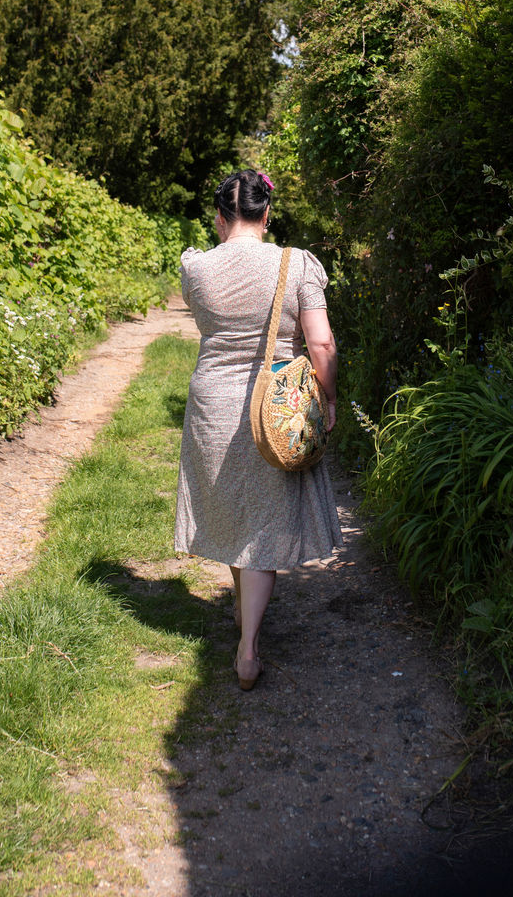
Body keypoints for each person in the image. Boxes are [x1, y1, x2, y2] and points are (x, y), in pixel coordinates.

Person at [174, 169, 343, 690]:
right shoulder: (296, 267)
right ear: (266, 214)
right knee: (266, 518)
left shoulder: (197, 270)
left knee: (230, 507)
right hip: (276, 405)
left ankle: (242, 617)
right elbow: (321, 346)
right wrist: (329, 397)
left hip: (213, 404)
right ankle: (248, 648)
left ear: (221, 217)